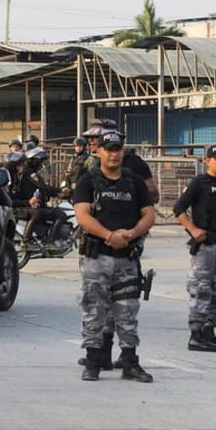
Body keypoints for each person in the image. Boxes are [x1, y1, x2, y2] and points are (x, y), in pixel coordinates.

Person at [74, 130, 155, 382]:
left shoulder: (134, 182)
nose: (113, 154)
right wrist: (109, 236)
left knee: (127, 310)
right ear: (99, 151)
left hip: (127, 258)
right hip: (98, 256)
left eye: (117, 149)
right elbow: (83, 216)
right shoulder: (88, 180)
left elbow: (149, 215)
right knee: (94, 310)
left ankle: (129, 361)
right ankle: (94, 361)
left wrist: (130, 235)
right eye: (108, 149)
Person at [174, 143, 216, 352]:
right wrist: (193, 230)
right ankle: (196, 335)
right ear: (207, 161)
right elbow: (179, 209)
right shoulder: (200, 182)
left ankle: (209, 331)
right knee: (201, 289)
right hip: (206, 245)